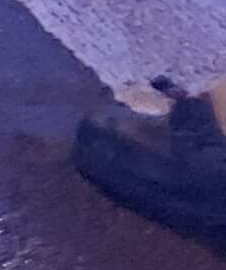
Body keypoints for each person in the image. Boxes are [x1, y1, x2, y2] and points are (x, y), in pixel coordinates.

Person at [77, 76, 226, 240]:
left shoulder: (187, 125)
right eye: (113, 122)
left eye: (118, 108)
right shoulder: (198, 161)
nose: (127, 112)